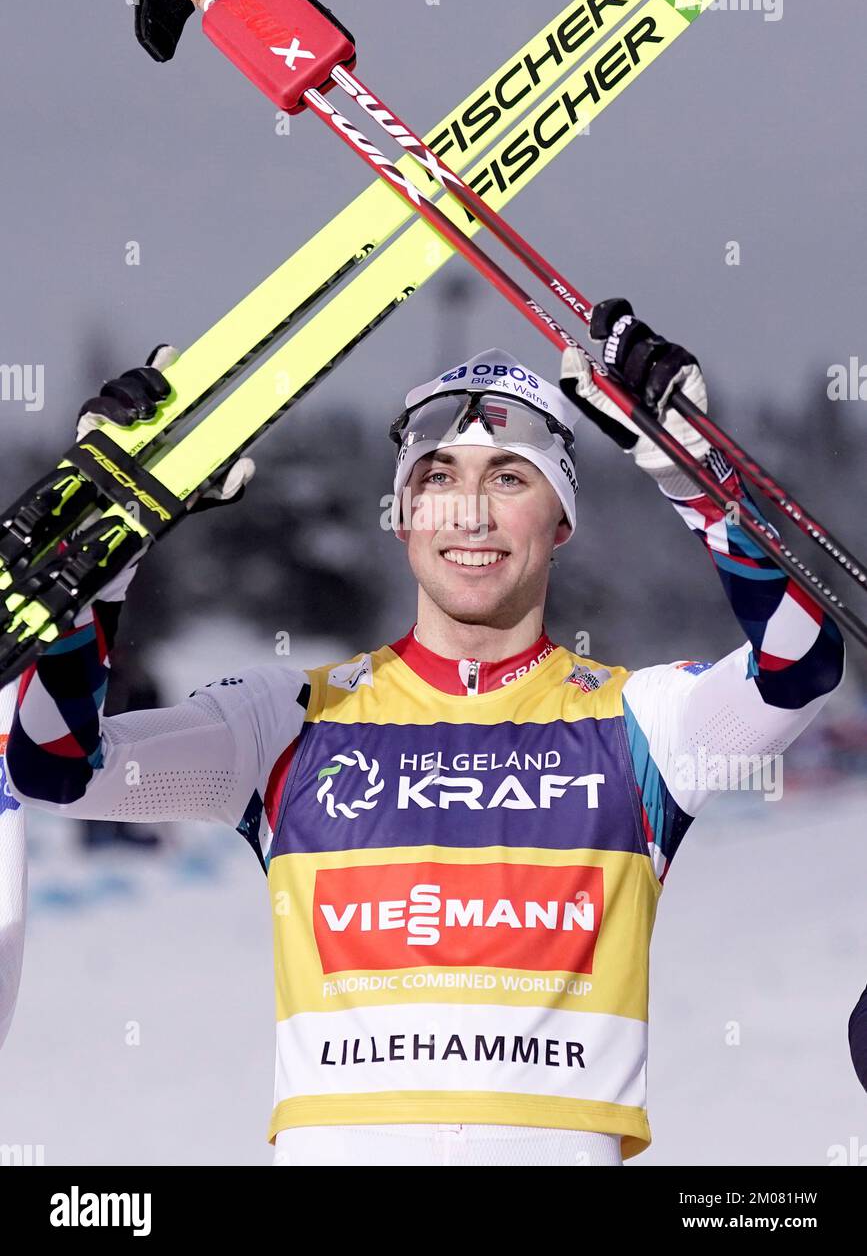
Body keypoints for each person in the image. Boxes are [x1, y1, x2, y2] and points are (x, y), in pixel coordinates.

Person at [2, 301, 845, 1166]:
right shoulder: (286, 719)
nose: (468, 515)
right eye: (436, 478)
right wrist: (109, 543)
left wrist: (689, 469)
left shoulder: (641, 723)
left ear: (561, 522)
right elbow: (54, 765)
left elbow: (798, 665)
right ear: (401, 516)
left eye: (510, 479)